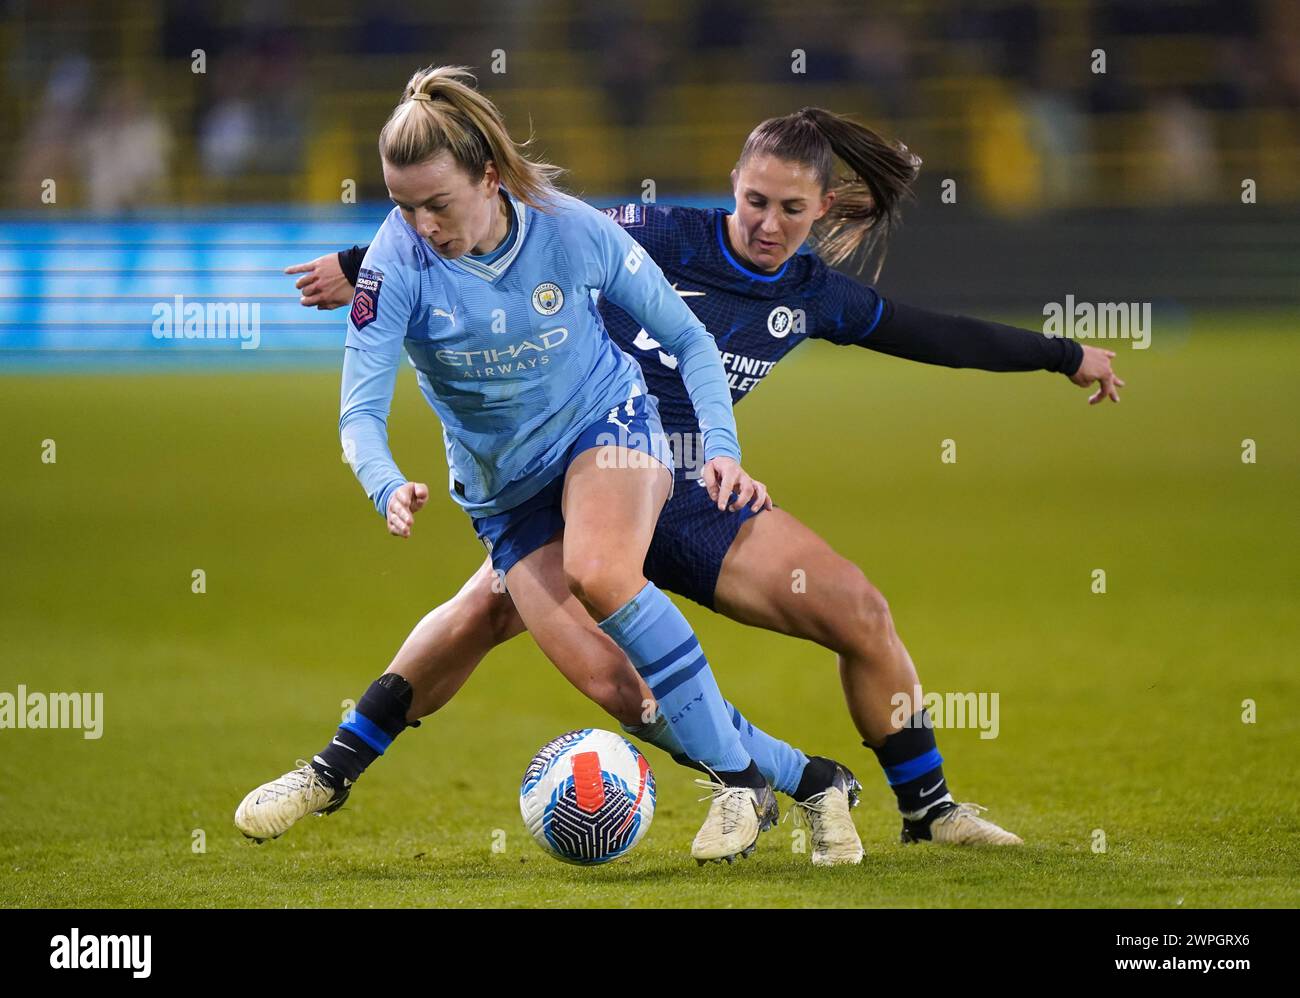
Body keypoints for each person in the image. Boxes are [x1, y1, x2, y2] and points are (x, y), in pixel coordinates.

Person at [278, 105, 1127, 856]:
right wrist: (369, 261)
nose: (766, 223)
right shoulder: (653, 229)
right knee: (512, 623)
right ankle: (334, 765)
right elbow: (514, 217)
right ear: (734, 186)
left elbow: (934, 334)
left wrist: (1061, 355)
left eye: (791, 209)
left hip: (697, 496)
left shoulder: (815, 295)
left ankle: (928, 809)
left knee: (861, 612)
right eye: (754, 200)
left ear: (822, 209)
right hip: (582, 467)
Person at [235, 66, 795, 865]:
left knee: (602, 572)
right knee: (619, 692)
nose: (421, 225)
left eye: (438, 204)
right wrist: (386, 483)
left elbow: (691, 340)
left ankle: (740, 784)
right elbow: (359, 412)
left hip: (606, 424)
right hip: (505, 489)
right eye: (402, 206)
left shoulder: (571, 231)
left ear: (488, 178)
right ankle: (809, 778)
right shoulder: (393, 265)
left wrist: (722, 450)